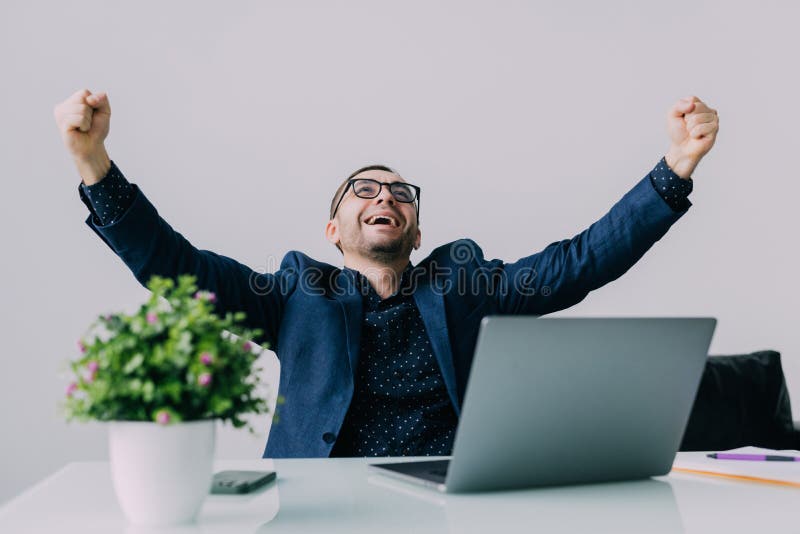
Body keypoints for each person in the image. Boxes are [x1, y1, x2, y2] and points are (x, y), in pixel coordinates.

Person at [53, 89, 719, 458]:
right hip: (319, 502)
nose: (385, 198)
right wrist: (93, 161)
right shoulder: (291, 294)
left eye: (401, 193)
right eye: (365, 190)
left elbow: (580, 261)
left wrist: (676, 166)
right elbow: (177, 268)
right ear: (332, 229)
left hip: (448, 495)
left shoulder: (465, 285)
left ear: (418, 232)